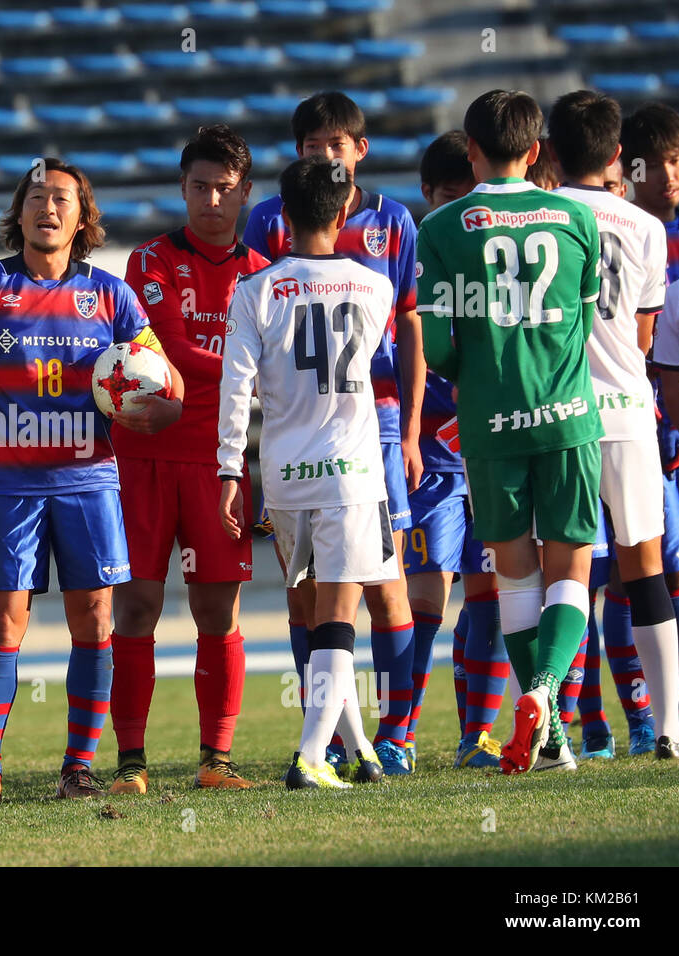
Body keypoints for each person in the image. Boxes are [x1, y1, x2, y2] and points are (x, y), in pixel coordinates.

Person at [0, 158, 183, 804]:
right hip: (11, 485)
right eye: (36, 197)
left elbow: (167, 384)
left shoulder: (112, 296)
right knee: (5, 619)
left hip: (89, 484)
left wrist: (155, 403)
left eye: (62, 198)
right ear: (19, 211)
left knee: (94, 619)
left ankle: (77, 767)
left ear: (82, 216)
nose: (48, 208)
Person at [417, 90, 602, 775]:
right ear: (537, 150)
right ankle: (550, 699)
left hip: (489, 422)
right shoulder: (578, 217)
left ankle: (546, 727)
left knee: (515, 576)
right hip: (568, 416)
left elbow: (436, 350)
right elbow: (585, 323)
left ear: (471, 150)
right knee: (571, 569)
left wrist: (484, 367)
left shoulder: (439, 228)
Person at [243, 91, 424, 774]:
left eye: (336, 145)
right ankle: (341, 740)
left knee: (386, 584)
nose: (325, 156)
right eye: (313, 146)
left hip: (369, 418)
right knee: (306, 590)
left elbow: (410, 327)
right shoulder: (268, 223)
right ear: (298, 155)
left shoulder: (392, 222)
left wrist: (407, 431)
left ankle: (397, 731)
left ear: (360, 151)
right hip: (298, 422)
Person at [220, 156, 395, 789]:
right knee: (341, 620)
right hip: (351, 472)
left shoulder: (255, 289)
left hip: (287, 476)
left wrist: (229, 472)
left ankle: (360, 748)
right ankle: (311, 756)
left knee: (320, 618)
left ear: (282, 218)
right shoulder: (375, 287)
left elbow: (235, 388)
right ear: (345, 213)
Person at [109, 125, 268, 794]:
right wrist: (248, 367)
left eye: (224, 189)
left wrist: (241, 375)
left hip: (217, 462)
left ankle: (216, 761)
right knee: (138, 606)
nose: (210, 200)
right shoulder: (149, 262)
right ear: (182, 188)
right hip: (142, 457)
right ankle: (131, 765)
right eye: (199, 187)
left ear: (245, 193)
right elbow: (168, 346)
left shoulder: (263, 275)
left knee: (217, 612)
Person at [550, 90, 679, 761]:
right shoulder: (647, 227)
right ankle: (668, 729)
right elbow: (642, 335)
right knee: (645, 569)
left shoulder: (540, 217)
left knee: (564, 573)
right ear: (615, 156)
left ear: (549, 152)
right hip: (628, 410)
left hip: (559, 413)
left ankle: (554, 734)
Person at [408, 132, 508, 770]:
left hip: (494, 449)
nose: (460, 213)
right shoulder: (414, 257)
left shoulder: (499, 262)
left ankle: (477, 735)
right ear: (427, 197)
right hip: (432, 463)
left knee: (491, 596)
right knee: (425, 606)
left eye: (470, 199)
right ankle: (400, 732)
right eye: (449, 198)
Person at [623, 103, 679, 738]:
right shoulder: (626, 233)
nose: (670, 173)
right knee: (652, 566)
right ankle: (641, 717)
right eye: (658, 162)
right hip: (642, 424)